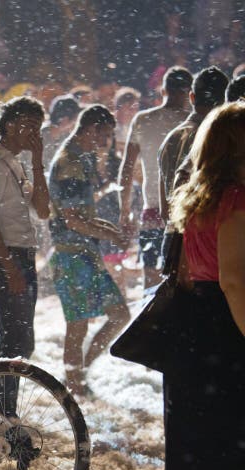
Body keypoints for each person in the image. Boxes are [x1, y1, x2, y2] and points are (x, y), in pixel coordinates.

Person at [165, 101, 245, 470]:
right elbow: (233, 280)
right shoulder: (236, 198)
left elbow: (189, 273)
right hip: (227, 327)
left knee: (198, 445)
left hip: (197, 327)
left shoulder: (199, 197)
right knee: (231, 442)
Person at [49, 105, 131, 396]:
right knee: (78, 325)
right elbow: (72, 220)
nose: (107, 142)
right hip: (71, 256)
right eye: (105, 134)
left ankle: (78, 373)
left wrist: (111, 233)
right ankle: (73, 383)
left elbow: (82, 215)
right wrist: (109, 234)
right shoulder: (71, 161)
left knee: (119, 315)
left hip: (84, 254)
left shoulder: (80, 158)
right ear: (91, 129)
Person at [0, 97, 50, 365]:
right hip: (6, 258)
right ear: (10, 125)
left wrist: (37, 161)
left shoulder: (14, 163)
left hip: (20, 256)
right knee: (16, 344)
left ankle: (1, 404)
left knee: (20, 343)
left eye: (38, 127)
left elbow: (43, 209)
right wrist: (10, 267)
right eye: (29, 125)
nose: (35, 134)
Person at [118, 66, 192, 289]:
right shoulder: (193, 122)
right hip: (186, 211)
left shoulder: (143, 120)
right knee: (183, 277)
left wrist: (125, 210)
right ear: (189, 93)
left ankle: (150, 322)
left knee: (150, 280)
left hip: (152, 210)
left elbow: (127, 168)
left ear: (163, 91)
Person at [158, 66, 230, 258]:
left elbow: (164, 208)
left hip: (173, 239)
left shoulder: (170, 139)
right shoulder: (219, 138)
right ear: (226, 101)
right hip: (206, 243)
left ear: (191, 97)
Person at [41, 94, 81, 170]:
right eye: (75, 120)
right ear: (65, 120)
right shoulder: (36, 139)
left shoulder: (68, 139)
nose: (76, 124)